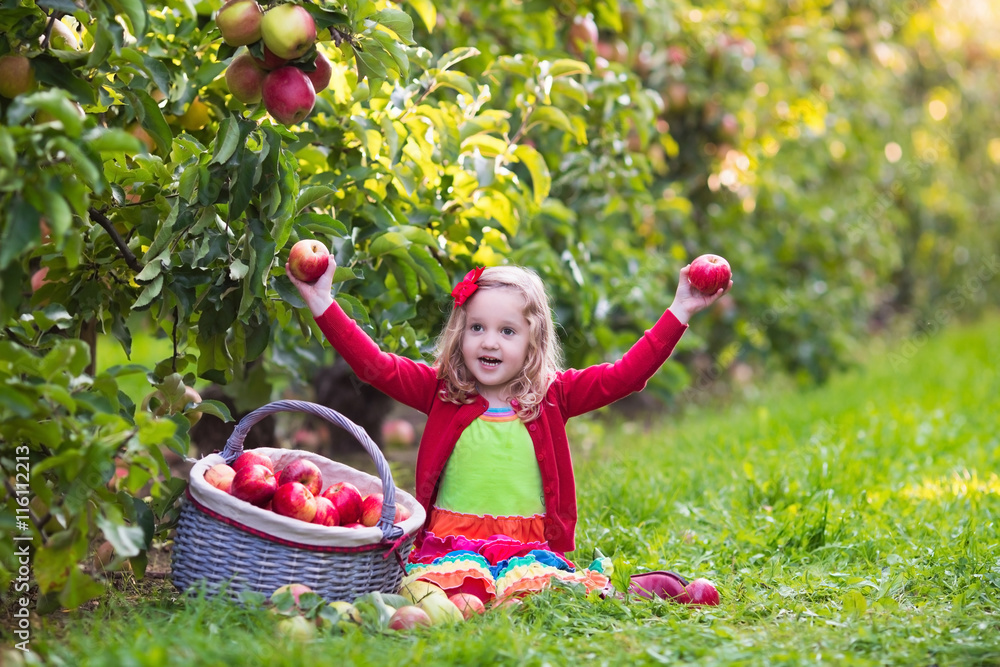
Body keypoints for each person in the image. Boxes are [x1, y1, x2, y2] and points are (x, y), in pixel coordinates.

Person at [289, 257, 732, 605]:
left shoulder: (554, 396)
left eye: (507, 331)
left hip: (524, 546)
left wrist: (680, 309)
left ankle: (641, 587)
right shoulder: (442, 391)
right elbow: (375, 366)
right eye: (477, 328)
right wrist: (323, 301)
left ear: (532, 341)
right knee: (447, 594)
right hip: (449, 544)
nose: (489, 342)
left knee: (541, 591)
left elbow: (625, 376)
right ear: (460, 333)